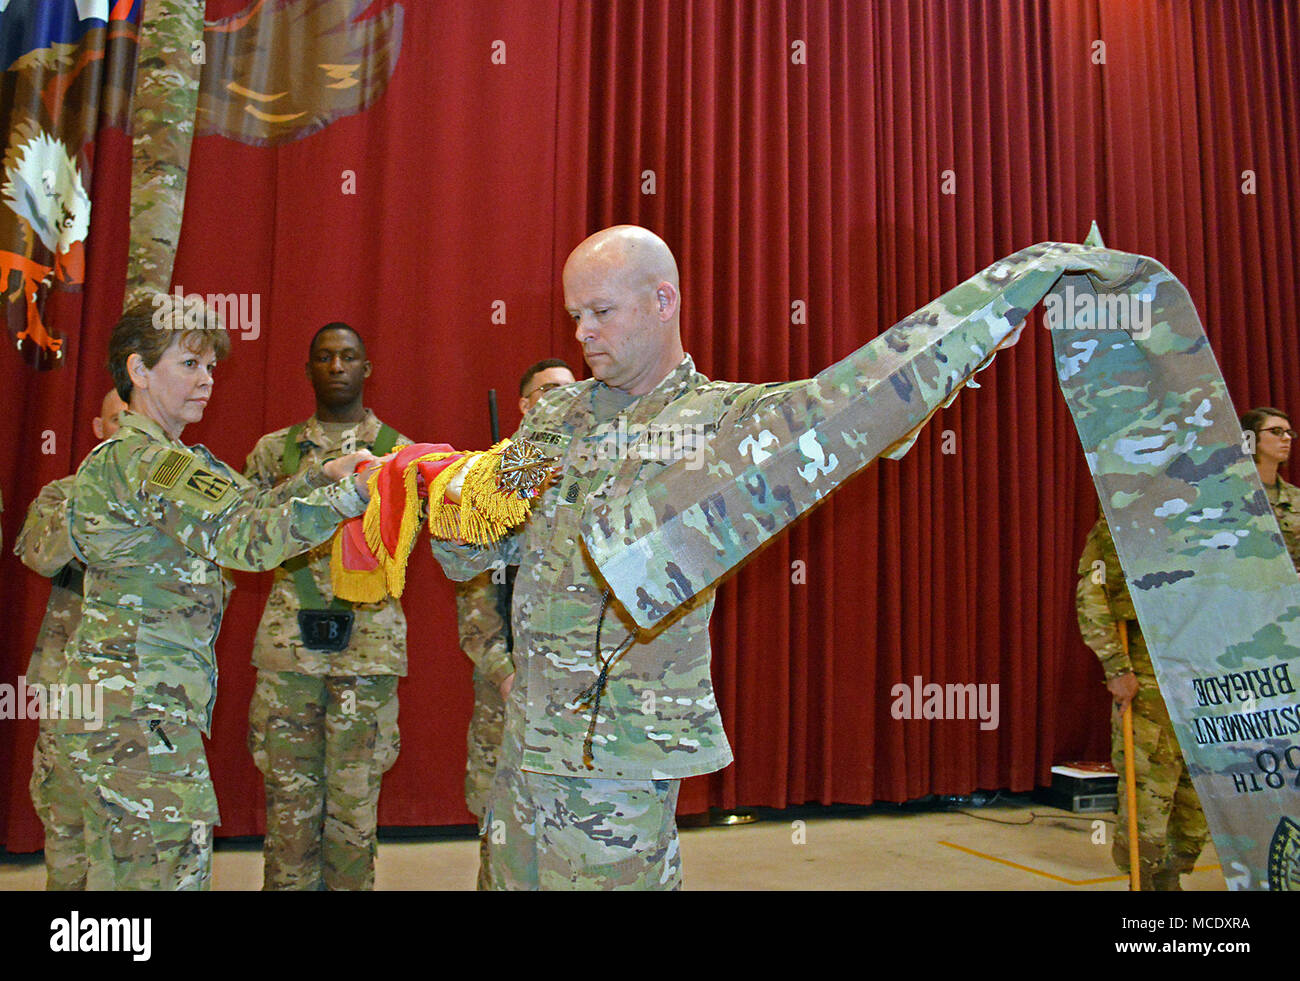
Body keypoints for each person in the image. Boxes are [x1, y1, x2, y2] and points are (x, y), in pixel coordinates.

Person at [430, 225, 830, 889]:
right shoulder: (554, 417)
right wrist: (442, 496)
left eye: (601, 312)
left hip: (620, 754)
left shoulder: (723, 420)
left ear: (662, 301)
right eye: (575, 315)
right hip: (528, 739)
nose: (582, 333)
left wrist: (963, 340)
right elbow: (486, 539)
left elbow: (854, 409)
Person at [57, 298, 375, 890]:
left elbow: (250, 504)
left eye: (210, 366)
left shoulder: (168, 458)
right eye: (190, 364)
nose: (207, 379)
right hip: (137, 711)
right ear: (138, 370)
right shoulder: (148, 462)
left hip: (143, 704)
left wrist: (322, 476)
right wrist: (350, 499)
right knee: (159, 876)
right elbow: (247, 539)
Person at [243, 322, 410, 891]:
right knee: (289, 803)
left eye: (348, 357)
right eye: (324, 357)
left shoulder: (401, 455)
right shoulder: (275, 452)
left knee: (354, 806)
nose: (337, 367)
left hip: (368, 651)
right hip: (289, 654)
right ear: (308, 369)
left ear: (367, 368)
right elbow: (244, 532)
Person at [454, 357, 575, 889]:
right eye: (548, 391)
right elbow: (475, 601)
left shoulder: (587, 478)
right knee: (504, 840)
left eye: (571, 390)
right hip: (508, 692)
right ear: (524, 405)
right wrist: (506, 676)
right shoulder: (500, 480)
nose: (561, 400)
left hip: (574, 693)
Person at [14, 389, 126, 890]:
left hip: (146, 690)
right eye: (118, 420)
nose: (127, 430)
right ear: (99, 430)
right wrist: (98, 495)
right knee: (66, 824)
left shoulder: (177, 496)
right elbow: (39, 555)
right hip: (70, 686)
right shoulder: (64, 493)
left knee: (137, 834)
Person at [1076, 514, 1210, 889]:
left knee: (1198, 805)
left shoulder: (1214, 516)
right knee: (1149, 802)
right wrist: (1116, 668)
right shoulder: (1123, 520)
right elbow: (1092, 595)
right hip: (1150, 684)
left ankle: (1171, 878)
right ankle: (1144, 881)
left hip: (1208, 683)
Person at [1240, 406, 1300, 570]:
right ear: (1251, 438)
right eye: (1276, 431)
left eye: (1289, 432)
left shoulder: (1296, 497)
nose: (1287, 438)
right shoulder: (1232, 494)